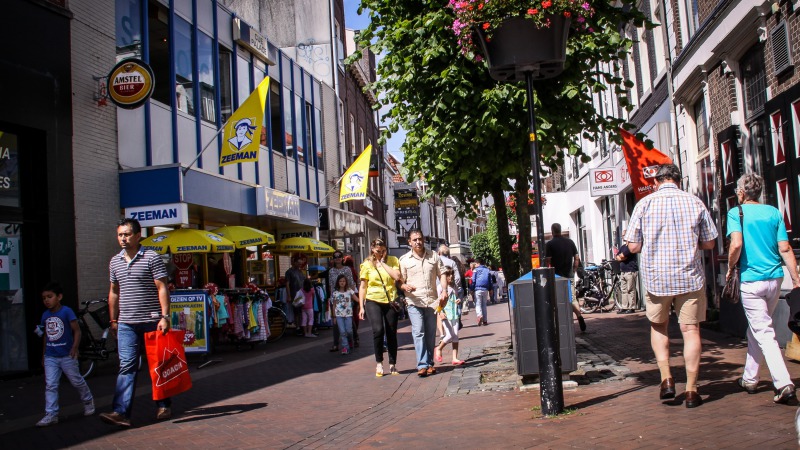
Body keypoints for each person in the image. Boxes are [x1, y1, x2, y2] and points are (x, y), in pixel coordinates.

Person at [624, 164, 717, 409]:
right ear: (678, 180)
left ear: (657, 181)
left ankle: (666, 379)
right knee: (690, 330)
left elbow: (632, 247)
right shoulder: (695, 202)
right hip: (689, 277)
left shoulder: (644, 204)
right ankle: (692, 390)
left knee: (659, 326)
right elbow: (709, 244)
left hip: (657, 279)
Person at [727, 173, 800, 404]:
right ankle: (750, 378)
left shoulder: (735, 213)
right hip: (775, 279)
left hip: (751, 281)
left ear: (741, 192)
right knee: (757, 328)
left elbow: (736, 244)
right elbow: (785, 248)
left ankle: (783, 383)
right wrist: (796, 278)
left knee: (764, 331)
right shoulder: (774, 212)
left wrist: (730, 267)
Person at [100, 218, 171, 427]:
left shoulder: (151, 258)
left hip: (151, 321)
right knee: (126, 366)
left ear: (138, 235)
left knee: (157, 365)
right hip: (126, 324)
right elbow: (113, 292)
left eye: (127, 234)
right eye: (120, 234)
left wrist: (165, 317)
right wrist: (113, 319)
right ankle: (121, 412)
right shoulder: (115, 261)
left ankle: (163, 405)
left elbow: (162, 288)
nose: (123, 238)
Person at [36, 282, 94, 427]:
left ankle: (88, 400)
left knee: (76, 381)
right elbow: (46, 335)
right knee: (50, 385)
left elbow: (77, 331)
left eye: (50, 297)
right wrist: (44, 354)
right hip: (51, 355)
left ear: (59, 297)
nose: (47, 300)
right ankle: (51, 414)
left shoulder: (67, 312)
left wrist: (75, 347)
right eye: (44, 298)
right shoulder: (45, 315)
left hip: (67, 355)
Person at [399, 229, 448, 377]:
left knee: (430, 333)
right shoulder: (404, 260)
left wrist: (444, 290)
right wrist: (403, 286)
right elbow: (400, 281)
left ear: (424, 239)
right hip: (414, 300)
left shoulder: (434, 256)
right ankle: (422, 364)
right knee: (418, 331)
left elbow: (443, 274)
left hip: (432, 301)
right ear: (409, 242)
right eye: (414, 240)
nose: (418, 242)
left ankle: (429, 363)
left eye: (420, 239)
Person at [358, 238, 403, 376]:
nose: (381, 253)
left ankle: (392, 363)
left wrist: (382, 263)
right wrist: (361, 306)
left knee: (391, 331)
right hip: (373, 299)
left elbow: (397, 276)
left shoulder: (393, 260)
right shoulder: (366, 264)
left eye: (383, 250)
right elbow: (363, 286)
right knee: (378, 330)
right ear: (372, 250)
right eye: (378, 251)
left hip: (390, 300)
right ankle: (379, 363)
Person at [545, 223, 587, 332]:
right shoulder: (570, 242)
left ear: (552, 231)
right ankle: (579, 315)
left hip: (557, 276)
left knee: (558, 299)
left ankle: (562, 321)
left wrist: (548, 272)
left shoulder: (550, 244)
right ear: (561, 230)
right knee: (572, 298)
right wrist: (574, 269)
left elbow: (548, 261)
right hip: (569, 275)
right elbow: (576, 257)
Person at [327, 251, 357, 352]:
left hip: (347, 297)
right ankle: (336, 344)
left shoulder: (347, 269)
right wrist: (332, 298)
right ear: (333, 259)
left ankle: (353, 339)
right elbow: (331, 285)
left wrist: (353, 297)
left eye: (339, 256)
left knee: (349, 322)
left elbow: (352, 283)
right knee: (336, 322)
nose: (337, 258)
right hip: (336, 298)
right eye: (335, 257)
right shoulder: (331, 271)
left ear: (342, 258)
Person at [435, 268, 464, 366]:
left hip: (454, 313)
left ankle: (455, 358)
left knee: (455, 335)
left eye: (452, 274)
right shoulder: (440, 288)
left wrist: (458, 300)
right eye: (448, 275)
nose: (451, 276)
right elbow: (437, 302)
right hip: (445, 314)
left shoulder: (454, 286)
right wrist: (440, 312)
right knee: (450, 335)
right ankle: (439, 348)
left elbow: (455, 298)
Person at [331, 274, 358, 355]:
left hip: (348, 314)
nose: (342, 283)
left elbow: (356, 299)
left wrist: (363, 301)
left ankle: (350, 341)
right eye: (340, 281)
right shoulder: (335, 293)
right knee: (342, 332)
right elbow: (334, 305)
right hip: (339, 315)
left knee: (349, 331)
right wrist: (334, 316)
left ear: (346, 282)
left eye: (343, 281)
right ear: (338, 282)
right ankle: (345, 347)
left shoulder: (349, 291)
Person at [285, 253, 307, 335]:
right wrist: (289, 296)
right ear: (294, 262)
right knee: (296, 311)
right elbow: (287, 284)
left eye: (300, 263)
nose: (299, 264)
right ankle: (297, 327)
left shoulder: (300, 271)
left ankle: (302, 326)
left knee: (302, 310)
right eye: (298, 263)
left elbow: (304, 281)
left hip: (302, 294)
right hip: (294, 293)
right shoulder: (289, 272)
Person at [615, 242, 639, 314]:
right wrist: (621, 257)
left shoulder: (631, 247)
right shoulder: (623, 247)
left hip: (630, 271)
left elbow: (623, 255)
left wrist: (621, 257)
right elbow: (618, 257)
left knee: (630, 289)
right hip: (623, 271)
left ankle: (631, 307)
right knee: (623, 290)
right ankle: (624, 307)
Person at [470, 258, 493, 326]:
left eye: (475, 264)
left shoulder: (475, 270)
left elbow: (473, 280)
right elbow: (490, 280)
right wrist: (490, 289)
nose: (475, 265)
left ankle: (479, 315)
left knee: (478, 304)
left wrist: (471, 289)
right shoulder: (487, 270)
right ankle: (485, 321)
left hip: (477, 289)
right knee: (484, 305)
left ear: (478, 263)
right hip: (485, 289)